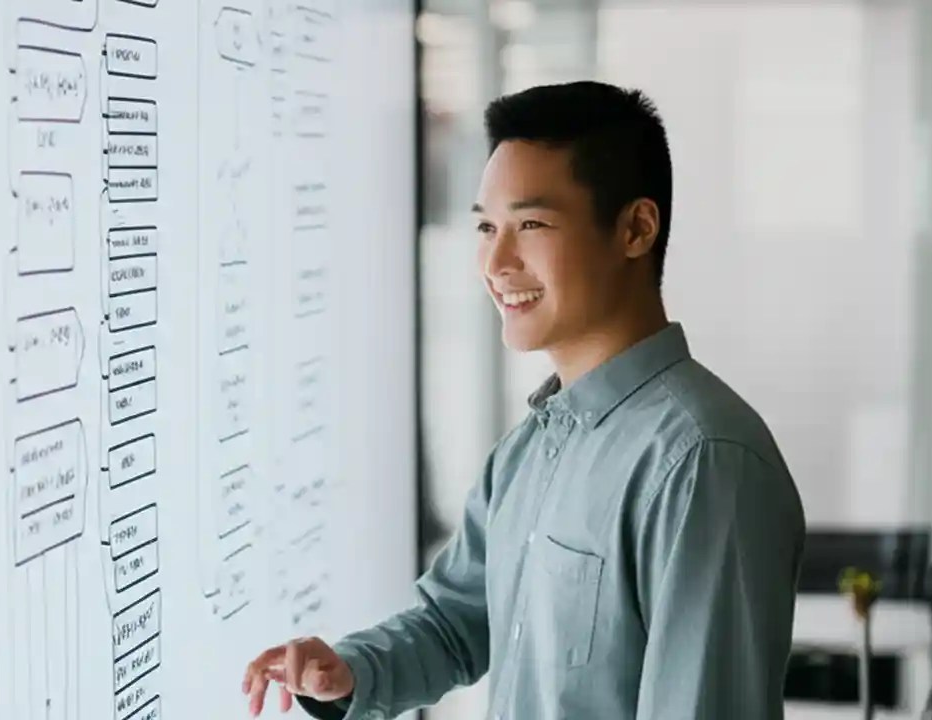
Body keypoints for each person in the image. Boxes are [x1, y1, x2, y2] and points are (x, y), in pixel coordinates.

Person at [242, 81, 807, 719]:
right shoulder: (534, 445)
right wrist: (350, 672)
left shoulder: (701, 460)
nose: (496, 261)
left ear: (635, 228)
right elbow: (456, 622)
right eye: (486, 226)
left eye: (531, 224)